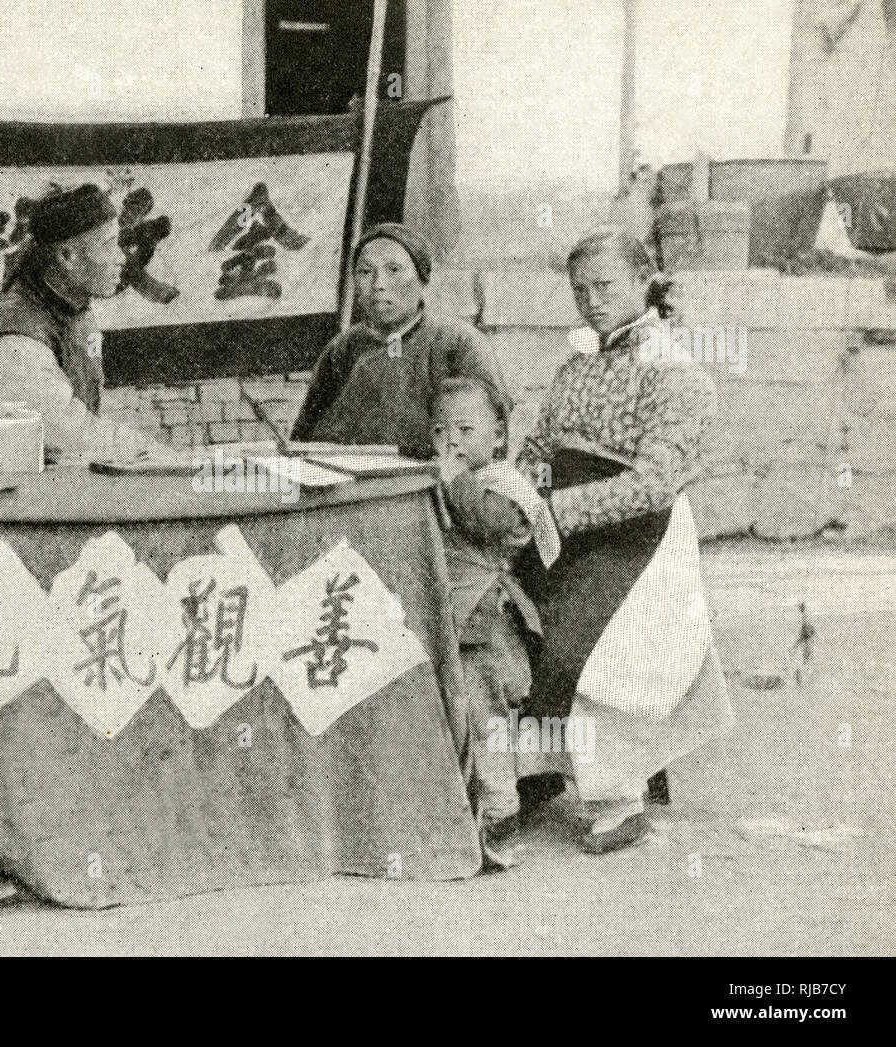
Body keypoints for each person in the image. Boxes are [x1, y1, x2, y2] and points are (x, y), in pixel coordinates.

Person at [513, 226, 735, 853]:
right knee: (519, 623)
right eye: (580, 290)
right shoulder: (577, 363)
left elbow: (656, 483)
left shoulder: (677, 370)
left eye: (605, 286)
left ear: (643, 282)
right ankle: (541, 772)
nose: (591, 300)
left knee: (589, 650)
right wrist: (520, 493)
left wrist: (557, 510)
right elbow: (538, 447)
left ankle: (619, 795)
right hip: (562, 525)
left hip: (641, 536)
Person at [432, 376, 559, 870]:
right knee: (461, 718)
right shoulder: (457, 477)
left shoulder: (505, 487)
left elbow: (491, 524)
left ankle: (501, 818)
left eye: (465, 429)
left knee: (487, 722)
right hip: (460, 619)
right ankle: (470, 810)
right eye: (441, 430)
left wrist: (454, 479)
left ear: (500, 436)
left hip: (486, 626)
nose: (453, 442)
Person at [290, 223, 512, 459]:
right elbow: (302, 439)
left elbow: (489, 446)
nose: (378, 285)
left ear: (422, 279)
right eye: (365, 272)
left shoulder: (459, 343)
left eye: (394, 270)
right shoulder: (343, 348)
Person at [0, 183, 152, 461]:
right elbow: (73, 436)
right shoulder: (17, 342)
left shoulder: (74, 305)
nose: (121, 258)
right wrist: (165, 456)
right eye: (109, 245)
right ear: (66, 257)